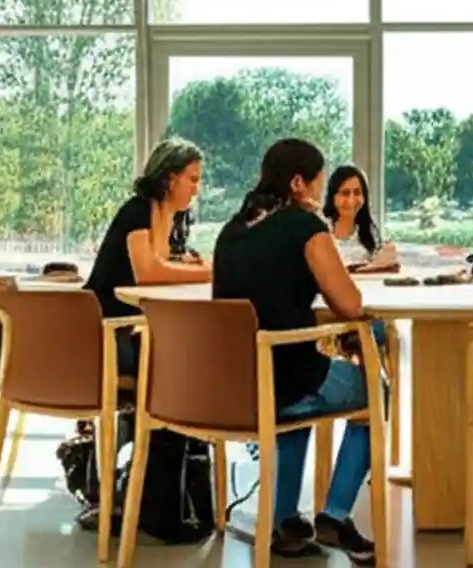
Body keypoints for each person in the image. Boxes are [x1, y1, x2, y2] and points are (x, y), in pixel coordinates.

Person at [212, 139, 377, 565]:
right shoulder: (305, 227)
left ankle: (285, 520)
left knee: (298, 406)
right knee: (376, 394)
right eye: (320, 185)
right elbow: (350, 305)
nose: (321, 196)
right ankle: (336, 514)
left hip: (239, 379)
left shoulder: (232, 229)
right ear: (299, 183)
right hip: (289, 374)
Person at [83, 137, 211, 376]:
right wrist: (210, 272)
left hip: (132, 323)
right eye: (192, 180)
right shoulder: (138, 210)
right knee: (178, 358)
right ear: (170, 179)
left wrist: (191, 266)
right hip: (104, 328)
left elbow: (167, 265)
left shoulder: (176, 220)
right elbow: (148, 272)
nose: (197, 189)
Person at [322, 164, 397, 269]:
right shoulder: (321, 229)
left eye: (357, 193)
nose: (351, 200)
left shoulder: (371, 232)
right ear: (333, 196)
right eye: (345, 193)